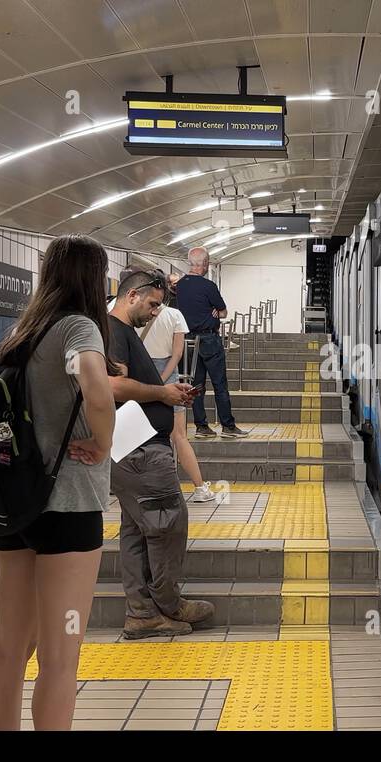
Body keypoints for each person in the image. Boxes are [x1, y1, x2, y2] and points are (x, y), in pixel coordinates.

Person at [0, 234, 118, 731]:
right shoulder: (79, 327)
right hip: (69, 506)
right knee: (61, 657)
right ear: (93, 278)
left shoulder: (23, 330)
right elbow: (95, 387)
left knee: (10, 644)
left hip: (16, 504)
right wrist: (102, 441)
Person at [103, 270, 214, 638]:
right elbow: (114, 386)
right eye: (152, 305)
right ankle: (170, 604)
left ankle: (141, 613)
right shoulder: (114, 331)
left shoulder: (116, 332)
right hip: (141, 451)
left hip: (127, 448)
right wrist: (164, 394)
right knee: (168, 523)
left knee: (135, 530)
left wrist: (167, 393)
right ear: (132, 295)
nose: (154, 313)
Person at [137, 269, 217, 503]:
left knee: (135, 432)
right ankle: (200, 488)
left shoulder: (128, 311)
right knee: (179, 436)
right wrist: (162, 380)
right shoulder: (174, 315)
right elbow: (177, 353)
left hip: (137, 374)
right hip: (167, 374)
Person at [175, 247, 249, 439]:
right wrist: (215, 312)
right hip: (209, 339)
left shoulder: (179, 286)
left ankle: (201, 427)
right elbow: (223, 312)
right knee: (219, 384)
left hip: (188, 341)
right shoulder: (208, 286)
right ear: (205, 264)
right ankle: (228, 427)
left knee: (196, 385)